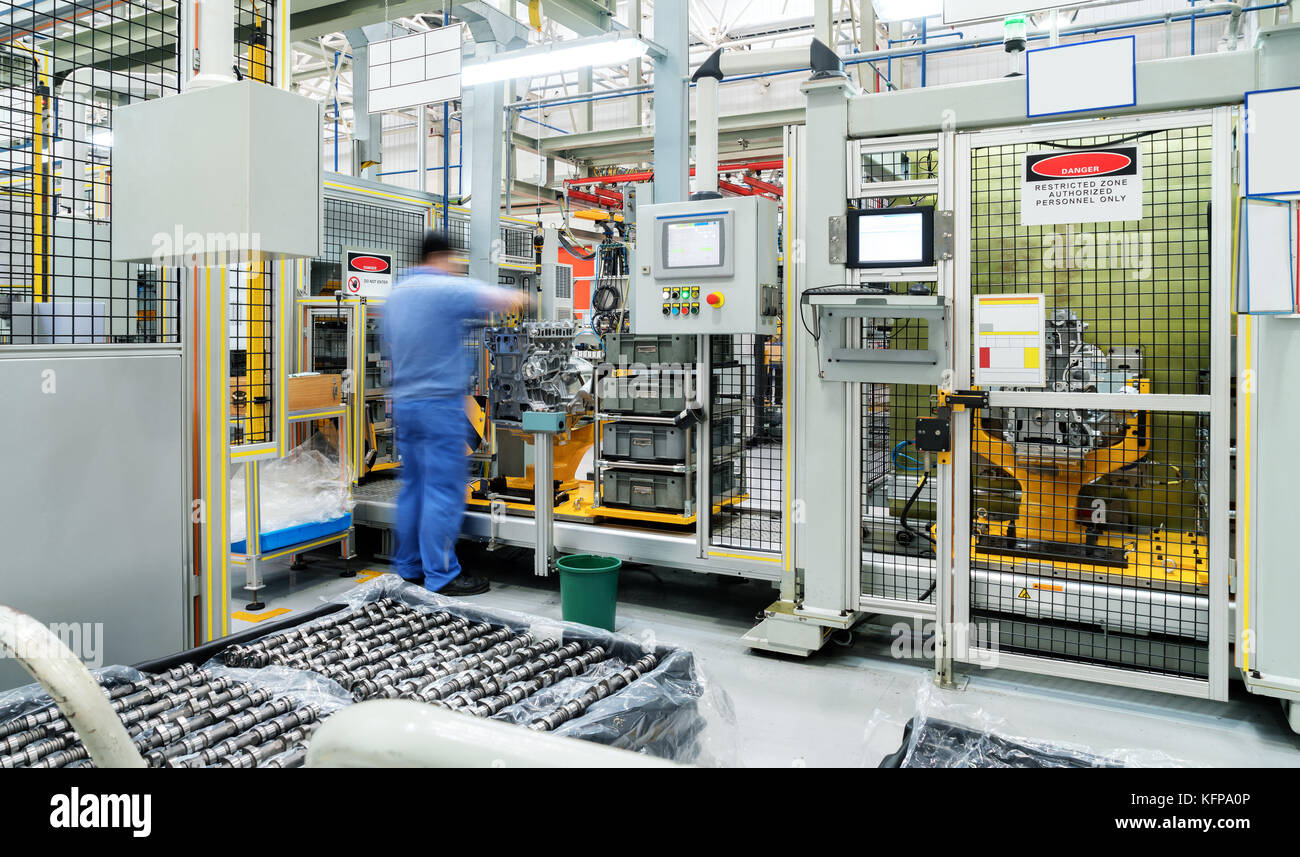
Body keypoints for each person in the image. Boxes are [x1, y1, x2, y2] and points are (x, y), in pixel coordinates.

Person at [382, 231, 520, 595]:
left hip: (406, 404)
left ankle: (410, 565)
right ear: (442, 257)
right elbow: (502, 298)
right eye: (455, 261)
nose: (457, 266)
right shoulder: (443, 288)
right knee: (442, 491)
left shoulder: (396, 295)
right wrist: (526, 299)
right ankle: (442, 574)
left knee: (413, 488)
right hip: (438, 405)